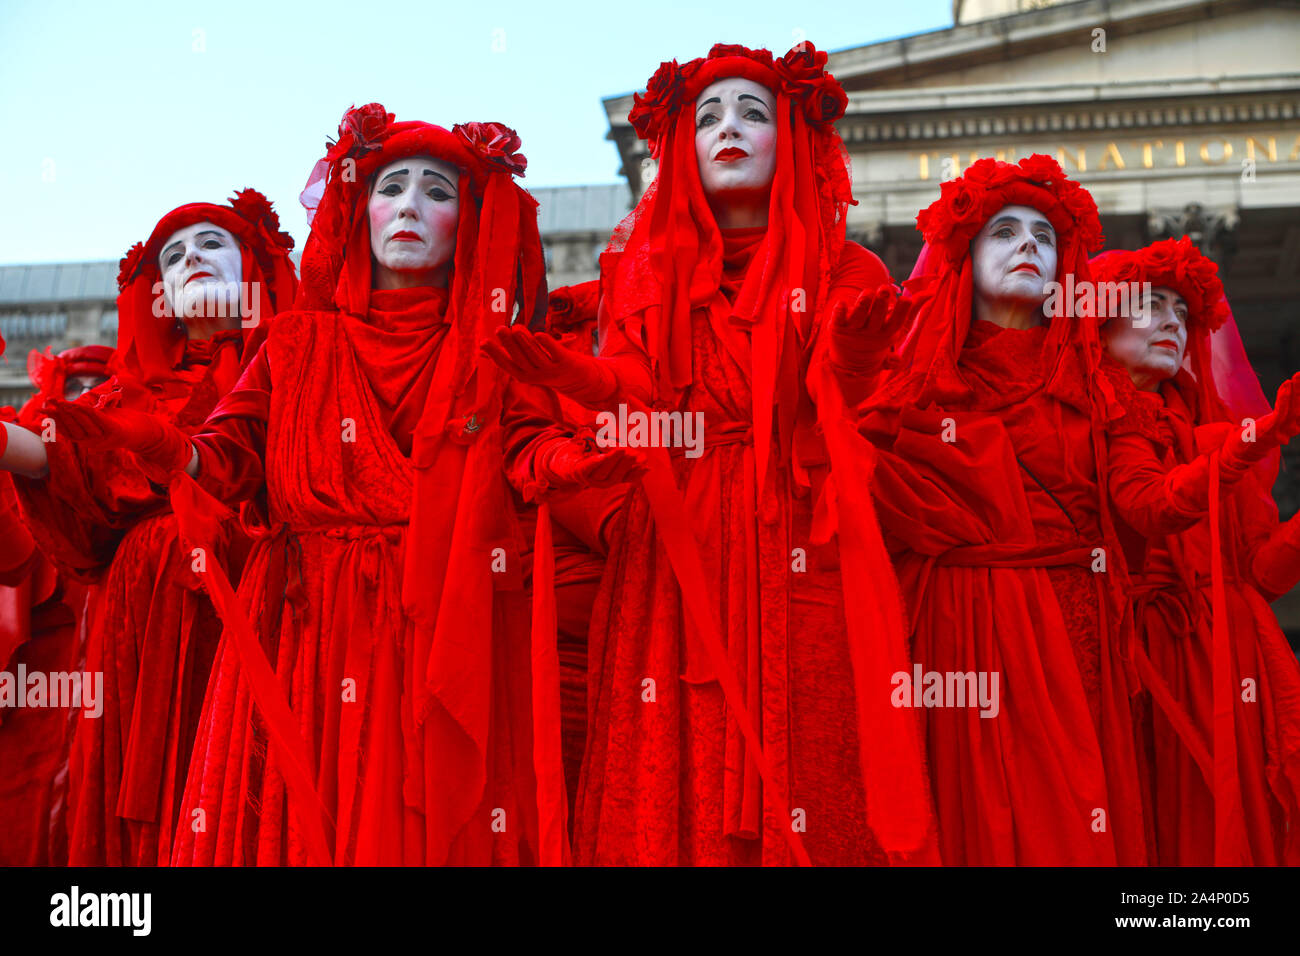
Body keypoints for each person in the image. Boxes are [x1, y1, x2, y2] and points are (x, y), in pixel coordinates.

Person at [59, 106, 558, 865]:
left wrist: (587, 457)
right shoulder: (297, 343)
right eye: (393, 187)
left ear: (472, 222)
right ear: (360, 212)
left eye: (440, 191)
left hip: (440, 636)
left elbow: (530, 458)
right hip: (302, 632)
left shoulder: (494, 352)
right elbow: (224, 460)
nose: (413, 207)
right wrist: (159, 443)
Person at [484, 43, 931, 865]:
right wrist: (575, 372)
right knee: (670, 754)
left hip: (801, 538)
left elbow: (857, 403)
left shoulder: (848, 265)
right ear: (680, 148)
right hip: (676, 538)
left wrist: (859, 353)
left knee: (811, 748)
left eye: (753, 114)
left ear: (791, 142)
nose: (729, 129)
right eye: (710, 116)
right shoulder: (639, 272)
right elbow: (635, 383)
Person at [1, 190, 296, 865]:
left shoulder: (300, 361)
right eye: (173, 254)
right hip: (139, 622)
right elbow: (53, 454)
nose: (191, 257)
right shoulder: (121, 393)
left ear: (254, 266)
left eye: (211, 244)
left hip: (264, 604)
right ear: (156, 292)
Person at [1094, 237, 1300, 864]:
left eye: (1182, 313)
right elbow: (1151, 507)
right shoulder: (1088, 420)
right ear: (1098, 322)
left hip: (1229, 651)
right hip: (1143, 654)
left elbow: (1259, 575)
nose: (1172, 323)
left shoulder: (1200, 429)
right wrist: (1250, 442)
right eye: (1151, 305)